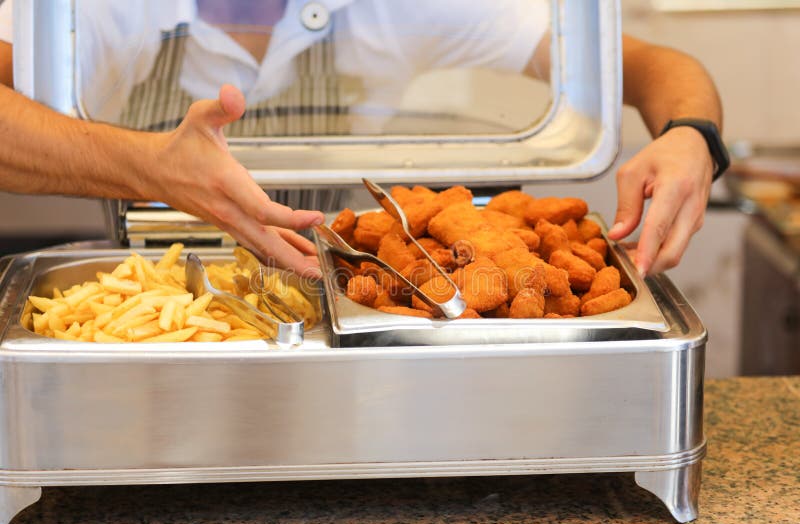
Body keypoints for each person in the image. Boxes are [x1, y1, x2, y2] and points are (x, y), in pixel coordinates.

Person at [0, 0, 724, 277]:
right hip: (164, 280)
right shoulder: (101, 9)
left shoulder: (398, 8)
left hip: (368, 276)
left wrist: (691, 135)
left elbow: (653, 68)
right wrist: (153, 166)